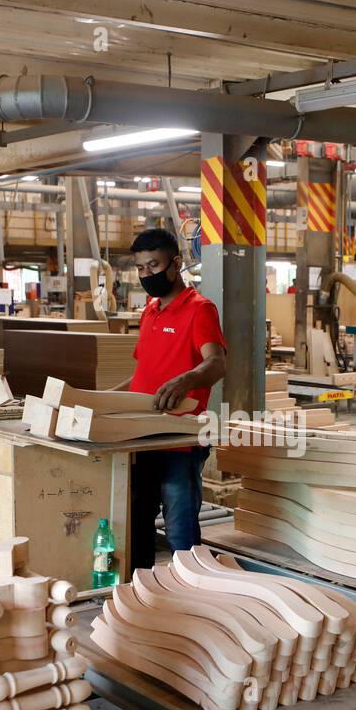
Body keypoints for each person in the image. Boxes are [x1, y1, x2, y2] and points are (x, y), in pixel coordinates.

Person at [123, 227, 228, 571]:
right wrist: (103, 401)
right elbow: (143, 375)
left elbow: (216, 363)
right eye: (140, 268)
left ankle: (191, 592)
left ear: (175, 264)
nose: (146, 275)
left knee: (180, 528)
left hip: (178, 442)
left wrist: (186, 380)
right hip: (140, 437)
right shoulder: (150, 311)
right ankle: (139, 592)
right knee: (136, 520)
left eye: (153, 265)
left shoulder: (200, 310)